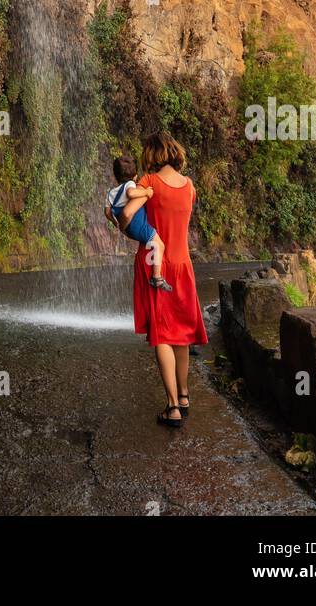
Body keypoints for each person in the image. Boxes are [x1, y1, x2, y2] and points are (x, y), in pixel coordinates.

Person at [120, 131, 207, 429]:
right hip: (183, 265)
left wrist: (118, 221)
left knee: (162, 335)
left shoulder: (149, 182)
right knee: (181, 333)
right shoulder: (189, 186)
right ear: (174, 152)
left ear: (152, 155)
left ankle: (172, 408)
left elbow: (128, 213)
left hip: (155, 263)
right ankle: (183, 397)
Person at [104, 155, 173, 291]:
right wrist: (146, 192)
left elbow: (107, 212)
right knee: (159, 245)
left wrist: (114, 222)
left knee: (153, 243)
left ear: (115, 176)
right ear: (135, 176)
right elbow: (131, 194)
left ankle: (155, 274)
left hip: (128, 228)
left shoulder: (110, 193)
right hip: (137, 224)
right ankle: (156, 277)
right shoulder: (130, 185)